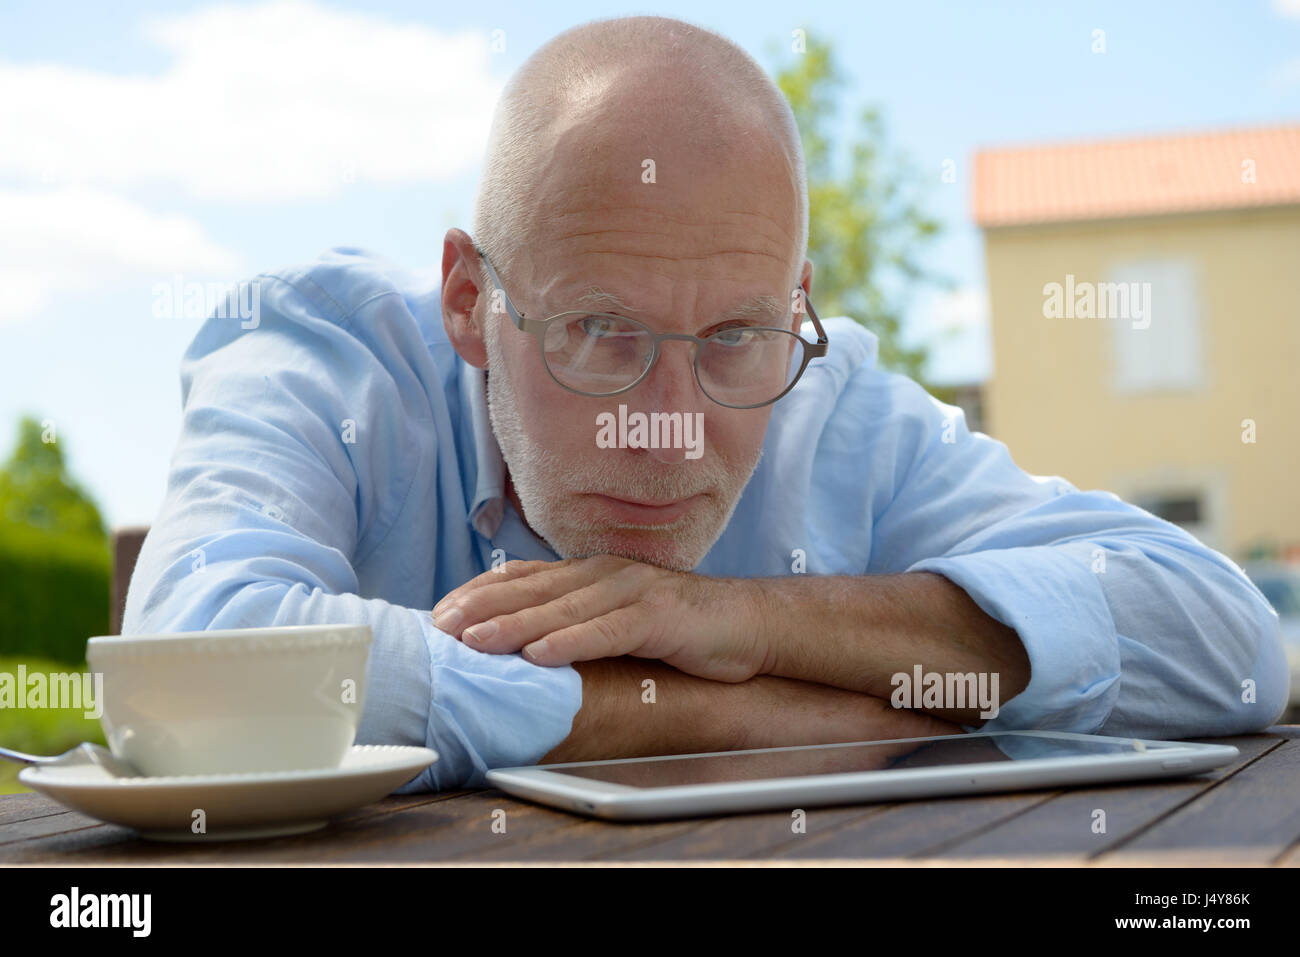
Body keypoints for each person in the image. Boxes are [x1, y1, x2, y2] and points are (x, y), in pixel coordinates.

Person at [122, 15, 1287, 791]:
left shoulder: (830, 399)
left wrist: (747, 625)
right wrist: (713, 715)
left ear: (795, 305)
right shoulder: (325, 353)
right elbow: (185, 671)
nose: (669, 425)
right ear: (470, 298)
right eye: (600, 332)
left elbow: (1229, 648)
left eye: (734, 335)